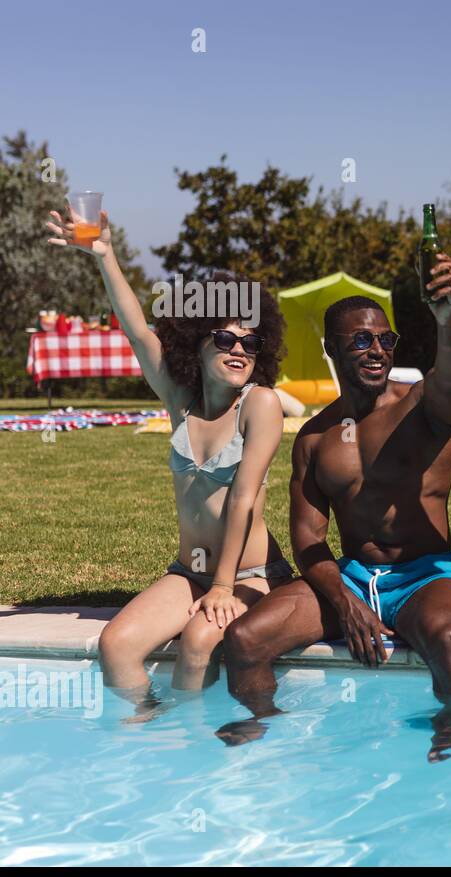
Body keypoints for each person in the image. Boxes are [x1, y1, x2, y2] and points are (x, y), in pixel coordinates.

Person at [218, 254, 451, 760]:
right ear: (332, 349)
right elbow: (308, 541)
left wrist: (446, 320)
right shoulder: (315, 439)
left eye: (385, 339)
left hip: (426, 576)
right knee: (245, 639)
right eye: (361, 340)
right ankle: (267, 743)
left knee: (447, 636)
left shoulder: (421, 406)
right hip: (354, 576)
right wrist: (344, 601)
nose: (377, 349)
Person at [45, 207, 288, 706]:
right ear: (194, 345)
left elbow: (244, 499)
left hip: (248, 575)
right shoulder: (182, 402)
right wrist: (105, 255)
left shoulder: (259, 404)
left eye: (251, 341)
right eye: (224, 338)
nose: (239, 348)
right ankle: (147, 735)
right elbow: (138, 332)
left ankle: (194, 755)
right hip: (189, 571)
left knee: (199, 643)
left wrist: (222, 588)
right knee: (117, 646)